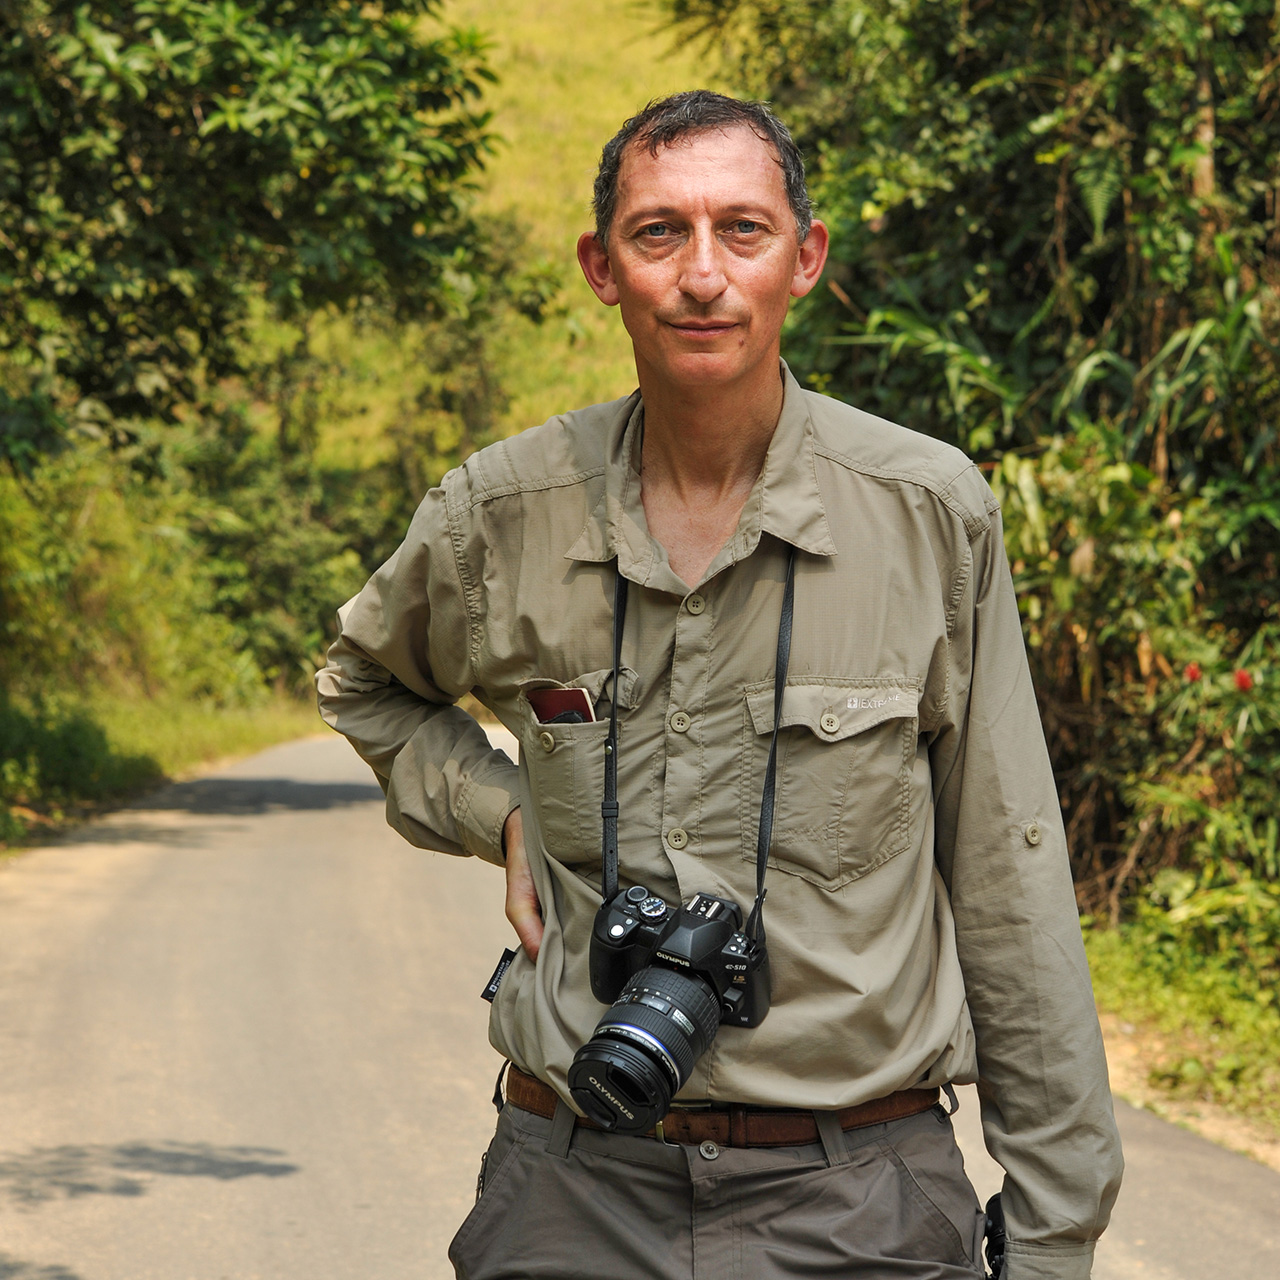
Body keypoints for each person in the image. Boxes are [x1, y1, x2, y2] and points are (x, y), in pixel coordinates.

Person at [317, 91, 1123, 1280]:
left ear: (803, 259)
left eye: (741, 230)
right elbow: (363, 680)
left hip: (861, 1198)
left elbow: (1009, 878)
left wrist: (1052, 1235)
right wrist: (497, 810)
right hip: (569, 1186)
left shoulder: (925, 516)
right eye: (658, 233)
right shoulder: (499, 512)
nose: (702, 274)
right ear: (602, 266)